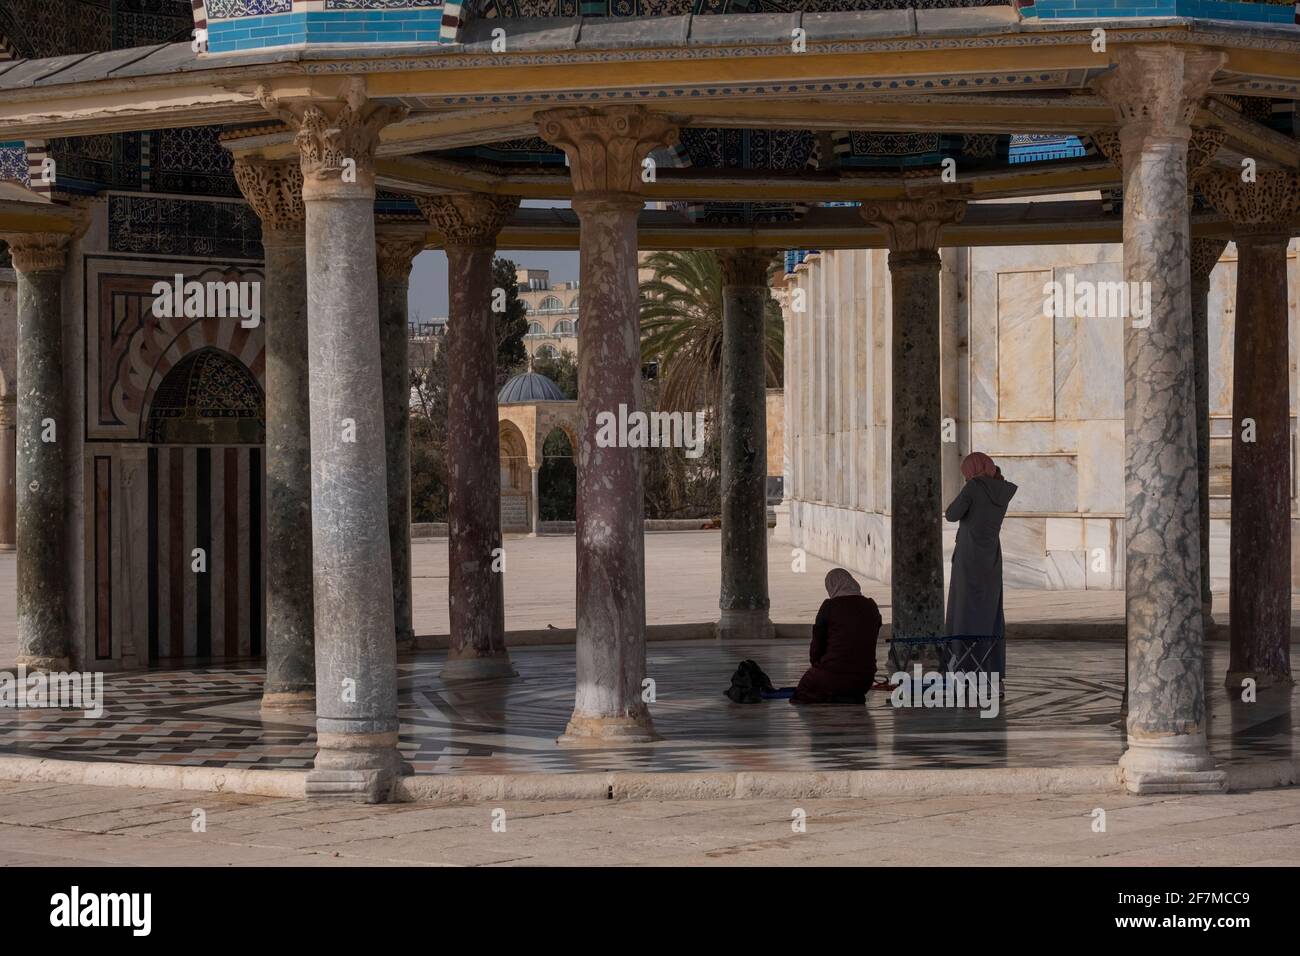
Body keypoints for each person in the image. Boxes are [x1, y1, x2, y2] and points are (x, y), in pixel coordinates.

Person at [945, 452, 1017, 685]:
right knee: (989, 613)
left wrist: (966, 490)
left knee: (964, 611)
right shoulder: (1002, 490)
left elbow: (951, 514)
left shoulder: (974, 487)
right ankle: (989, 668)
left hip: (969, 557)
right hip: (991, 558)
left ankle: (963, 667)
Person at [791, 568, 882, 705]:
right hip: (864, 680)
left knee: (803, 690)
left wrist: (817, 667)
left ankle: (833, 695)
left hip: (833, 676)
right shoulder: (871, 605)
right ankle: (844, 695)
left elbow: (817, 646)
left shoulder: (829, 607)